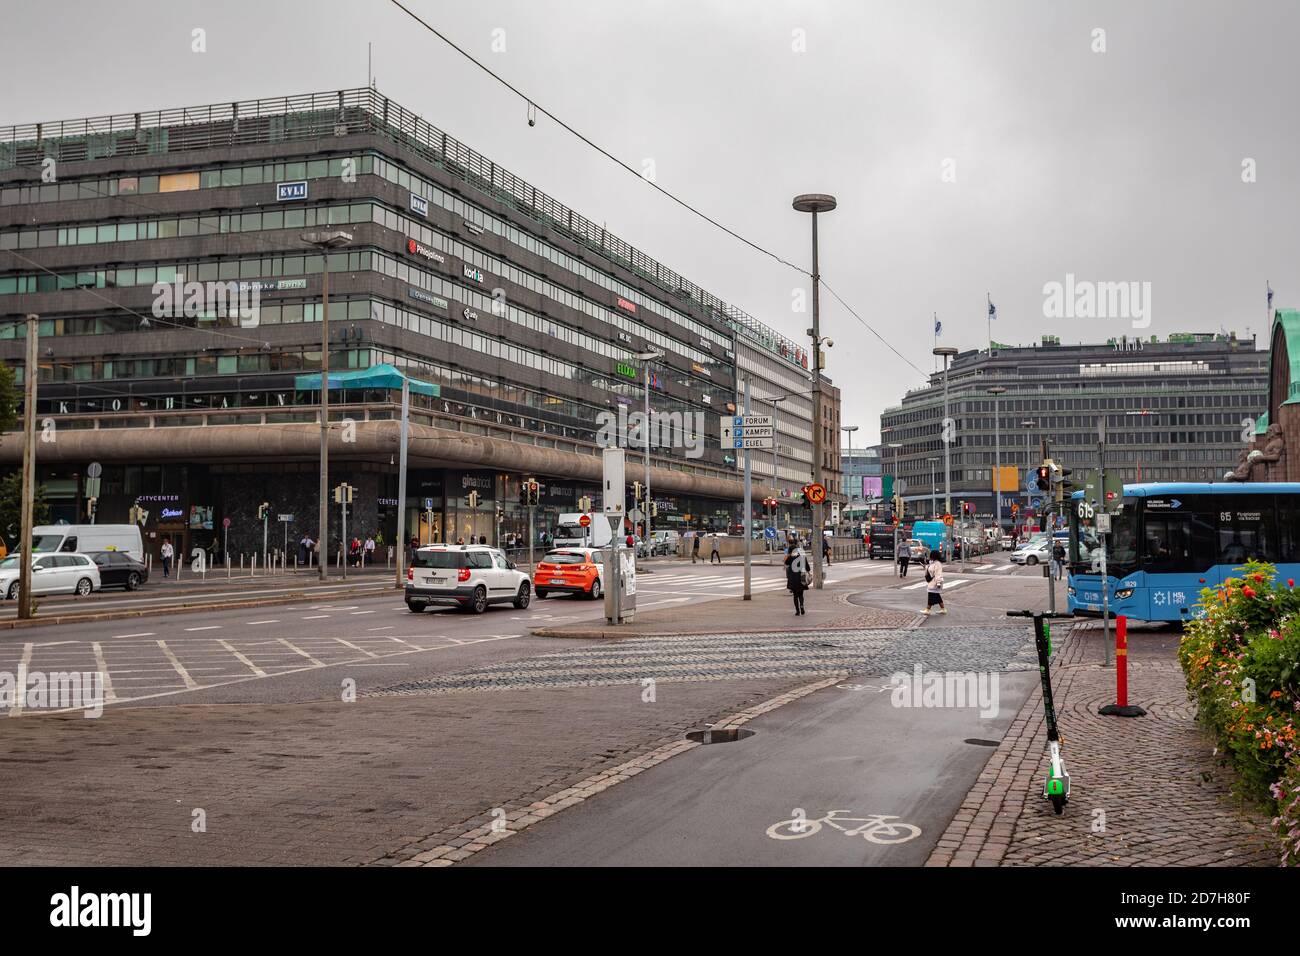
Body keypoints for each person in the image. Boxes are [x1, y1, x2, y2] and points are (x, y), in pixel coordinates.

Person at [785, 540, 809, 615]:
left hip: (793, 579)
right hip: (801, 578)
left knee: (795, 595)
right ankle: (802, 606)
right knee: (801, 594)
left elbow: (786, 563)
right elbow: (808, 568)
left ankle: (797, 611)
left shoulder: (790, 557)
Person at [922, 549, 946, 615]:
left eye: (931, 555)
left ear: (933, 556)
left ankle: (927, 609)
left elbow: (938, 574)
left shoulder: (938, 564)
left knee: (931, 595)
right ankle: (943, 609)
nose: (929, 556)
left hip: (935, 582)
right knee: (937, 596)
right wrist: (926, 567)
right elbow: (930, 570)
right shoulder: (933, 562)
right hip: (932, 582)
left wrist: (938, 583)